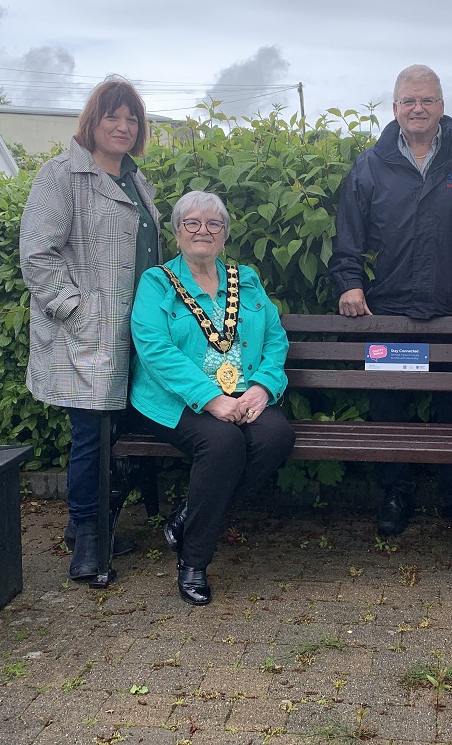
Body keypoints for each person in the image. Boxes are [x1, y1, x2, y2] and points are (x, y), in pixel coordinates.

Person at [329, 64, 452, 538]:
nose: (418, 108)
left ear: (441, 106)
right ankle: (395, 493)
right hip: (389, 311)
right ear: (395, 108)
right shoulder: (370, 165)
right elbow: (346, 236)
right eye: (409, 101)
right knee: (387, 406)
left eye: (427, 100)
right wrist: (349, 283)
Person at [21, 77, 159, 580]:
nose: (123, 127)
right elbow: (37, 254)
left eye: (132, 119)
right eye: (112, 117)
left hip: (135, 333)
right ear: (92, 122)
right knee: (92, 434)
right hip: (89, 332)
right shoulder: (62, 175)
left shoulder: (135, 180)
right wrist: (77, 309)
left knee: (114, 430)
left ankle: (84, 528)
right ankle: (87, 545)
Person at [130, 191, 295, 606]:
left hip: (244, 393)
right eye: (192, 222)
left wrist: (263, 386)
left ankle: (188, 513)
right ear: (177, 232)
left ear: (224, 234)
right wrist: (209, 398)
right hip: (176, 400)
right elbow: (154, 347)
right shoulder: (157, 282)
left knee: (276, 436)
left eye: (213, 223)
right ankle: (193, 561)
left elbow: (275, 338)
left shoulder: (247, 278)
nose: (203, 230)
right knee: (222, 443)